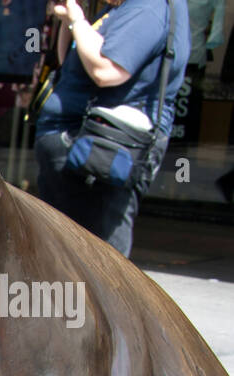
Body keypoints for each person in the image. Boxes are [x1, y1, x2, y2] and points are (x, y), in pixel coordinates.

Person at [34, 0, 190, 256]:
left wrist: (77, 20)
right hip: (82, 147)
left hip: (97, 151)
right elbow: (75, 61)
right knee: (63, 259)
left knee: (91, 263)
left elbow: (105, 70)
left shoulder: (147, 8)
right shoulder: (127, 8)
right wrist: (69, 21)